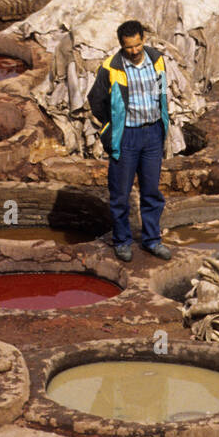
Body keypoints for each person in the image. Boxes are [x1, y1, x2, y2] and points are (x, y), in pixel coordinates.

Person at [89, 20, 173, 262]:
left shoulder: (157, 59)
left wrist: (162, 124)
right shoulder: (111, 67)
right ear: (121, 46)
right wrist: (111, 126)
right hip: (126, 135)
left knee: (151, 191)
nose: (135, 51)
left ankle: (152, 240)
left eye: (137, 45)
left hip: (152, 134)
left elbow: (162, 92)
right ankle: (123, 241)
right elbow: (96, 100)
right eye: (129, 48)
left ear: (143, 40)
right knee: (120, 194)